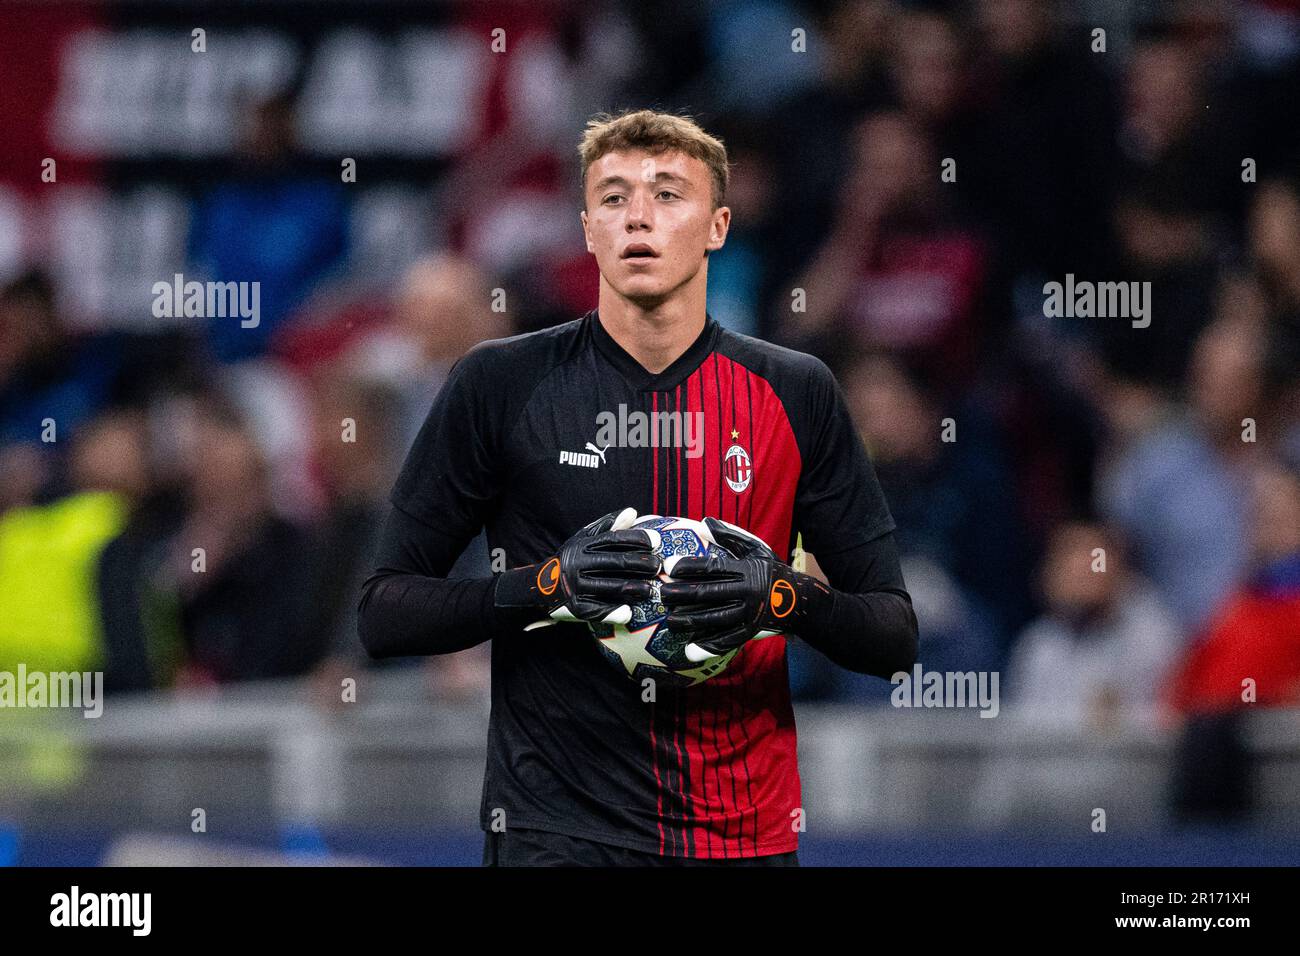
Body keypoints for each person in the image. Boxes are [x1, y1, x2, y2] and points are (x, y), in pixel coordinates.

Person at [357, 109, 917, 866]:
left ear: (718, 226)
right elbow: (384, 613)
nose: (638, 218)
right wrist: (548, 587)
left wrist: (782, 597)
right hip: (555, 834)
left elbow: (892, 637)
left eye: (667, 194)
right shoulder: (501, 383)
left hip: (741, 840)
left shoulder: (796, 392)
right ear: (588, 229)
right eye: (614, 198)